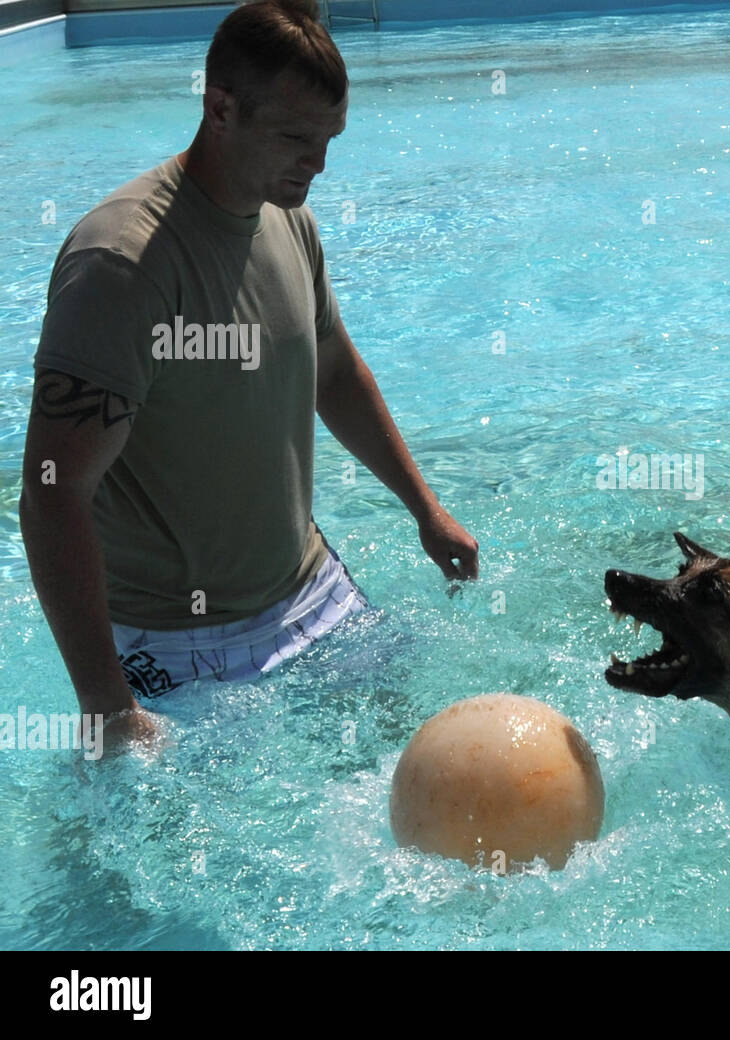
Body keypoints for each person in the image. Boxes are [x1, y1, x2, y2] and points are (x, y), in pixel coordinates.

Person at [19, 0, 477, 753]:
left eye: (329, 139)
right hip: (173, 643)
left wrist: (423, 508)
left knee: (414, 779)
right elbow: (52, 491)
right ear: (219, 107)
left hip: (311, 593)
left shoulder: (286, 213)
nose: (318, 164)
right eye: (296, 137)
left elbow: (331, 366)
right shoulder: (121, 266)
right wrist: (107, 706)